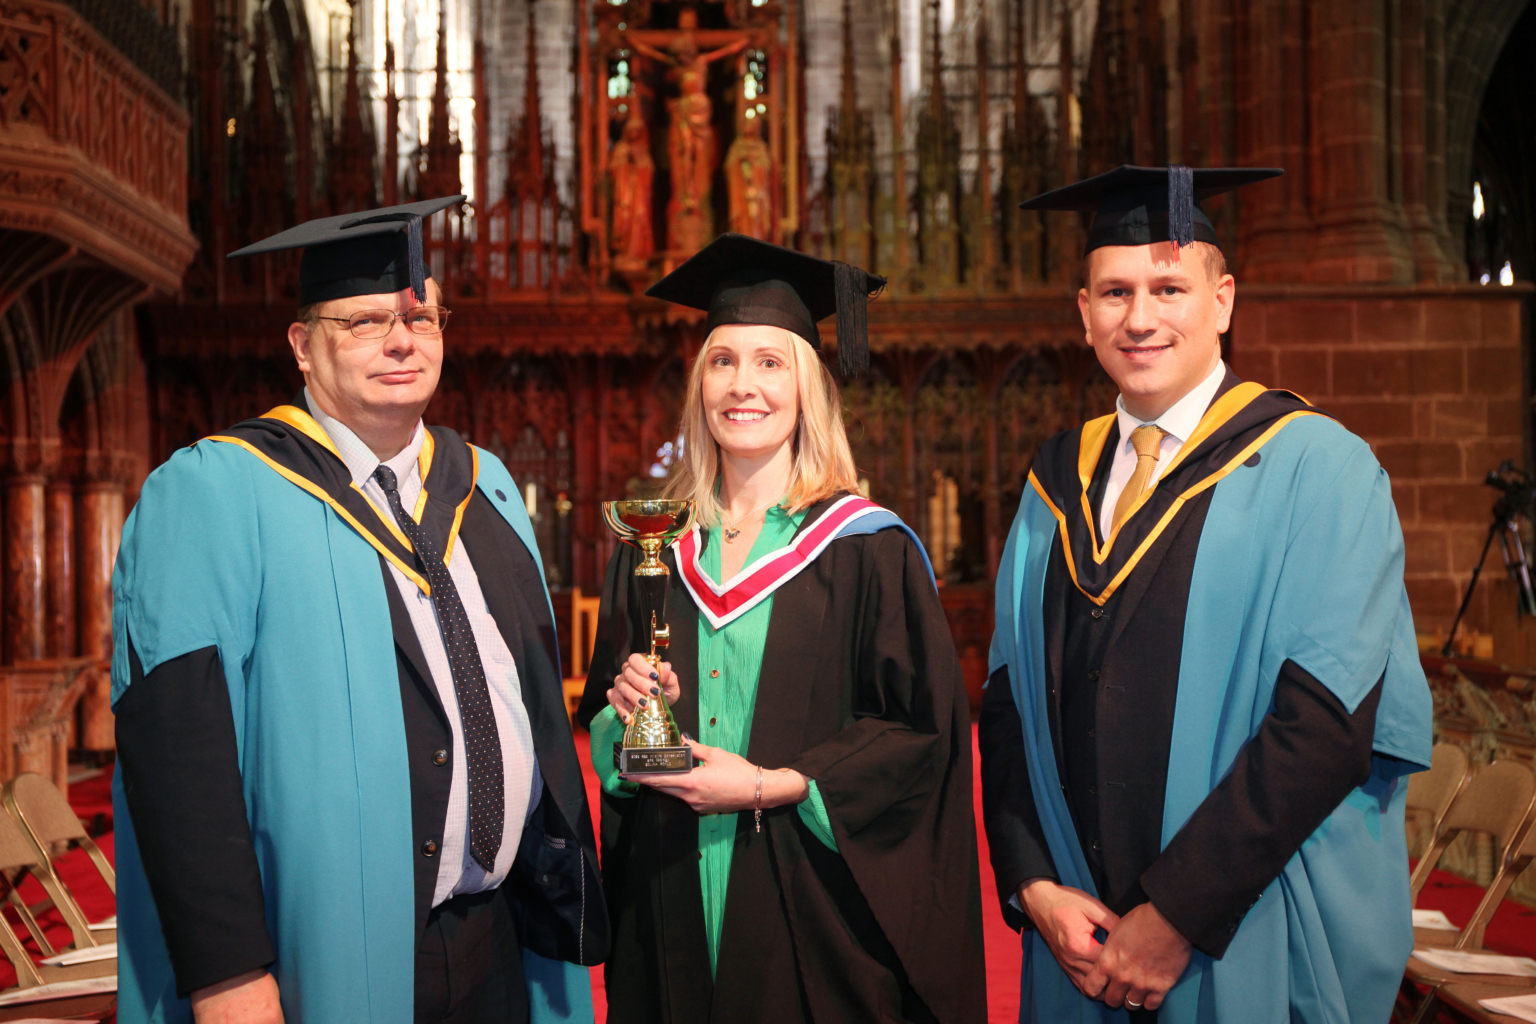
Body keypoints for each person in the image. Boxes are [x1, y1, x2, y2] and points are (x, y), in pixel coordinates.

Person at [111, 196, 606, 1024]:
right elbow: (176, 749)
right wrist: (228, 975)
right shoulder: (215, 491)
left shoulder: (483, 488)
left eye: (422, 317)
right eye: (367, 321)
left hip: (500, 935)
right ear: (303, 346)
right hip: (325, 949)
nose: (403, 340)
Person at [980, 166, 1432, 1023]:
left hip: (1245, 930)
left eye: (1168, 287)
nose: (1140, 317)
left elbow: (1325, 726)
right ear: (1083, 312)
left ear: (1222, 300)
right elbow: (1005, 708)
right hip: (1080, 943)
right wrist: (1034, 883)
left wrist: (1178, 915)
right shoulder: (1052, 487)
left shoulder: (1319, 467)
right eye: (1115, 291)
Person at [577, 233, 985, 1024]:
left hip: (813, 907)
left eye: (771, 361)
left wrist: (770, 786)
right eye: (723, 360)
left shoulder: (868, 550)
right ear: (700, 383)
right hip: (672, 895)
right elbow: (606, 728)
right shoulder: (655, 547)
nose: (744, 385)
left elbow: (920, 736)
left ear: (807, 388)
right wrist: (623, 716)